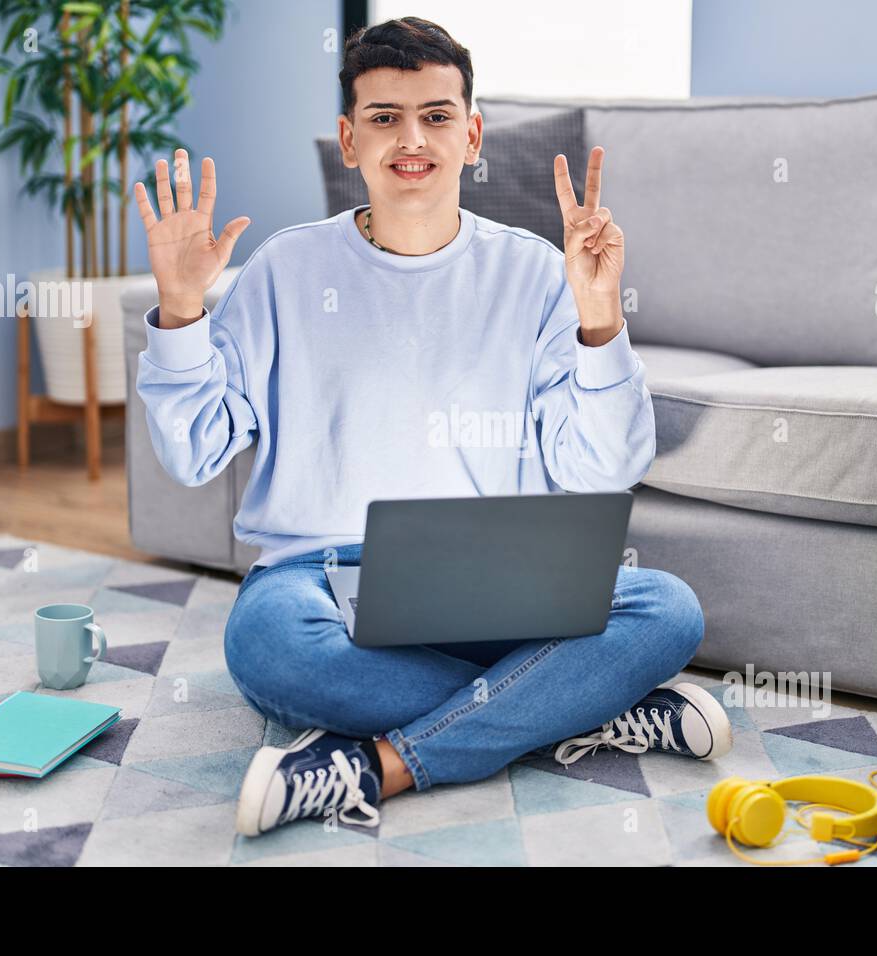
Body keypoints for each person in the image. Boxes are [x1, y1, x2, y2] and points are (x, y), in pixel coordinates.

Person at [133, 16, 731, 838]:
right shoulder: (285, 268)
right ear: (349, 139)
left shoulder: (535, 272)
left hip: (496, 582)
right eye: (384, 117)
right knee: (267, 647)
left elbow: (603, 467)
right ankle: (585, 707)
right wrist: (180, 308)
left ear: (472, 133)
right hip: (316, 581)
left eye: (436, 115)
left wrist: (599, 319)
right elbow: (195, 450)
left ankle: (383, 764)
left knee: (668, 608)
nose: (410, 138)